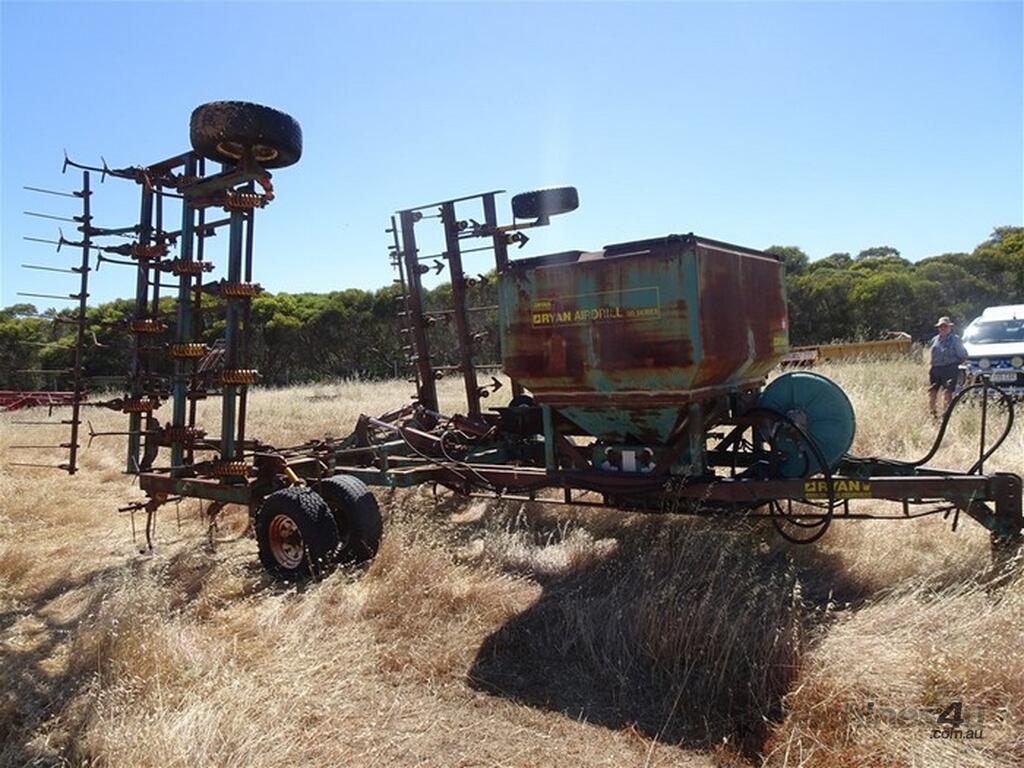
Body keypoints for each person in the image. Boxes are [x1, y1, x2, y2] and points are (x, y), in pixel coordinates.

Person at [928, 316, 968, 417]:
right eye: (941, 327)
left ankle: (946, 414)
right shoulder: (935, 340)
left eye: (945, 326)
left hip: (949, 368)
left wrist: (955, 365)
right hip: (935, 368)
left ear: (949, 327)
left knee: (948, 391)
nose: (943, 328)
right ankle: (932, 413)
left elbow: (963, 355)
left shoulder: (955, 340)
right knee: (932, 390)